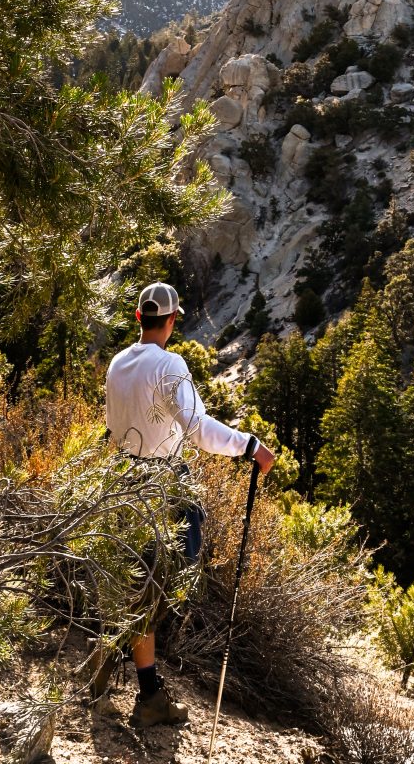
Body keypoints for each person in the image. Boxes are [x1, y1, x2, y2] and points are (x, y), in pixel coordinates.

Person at [97, 280, 274, 729]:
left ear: (140, 317)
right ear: (172, 321)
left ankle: (128, 677)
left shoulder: (118, 363)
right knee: (165, 584)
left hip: (122, 482)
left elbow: (113, 427)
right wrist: (249, 444)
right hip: (163, 484)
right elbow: (197, 430)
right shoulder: (169, 363)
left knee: (134, 582)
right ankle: (144, 687)